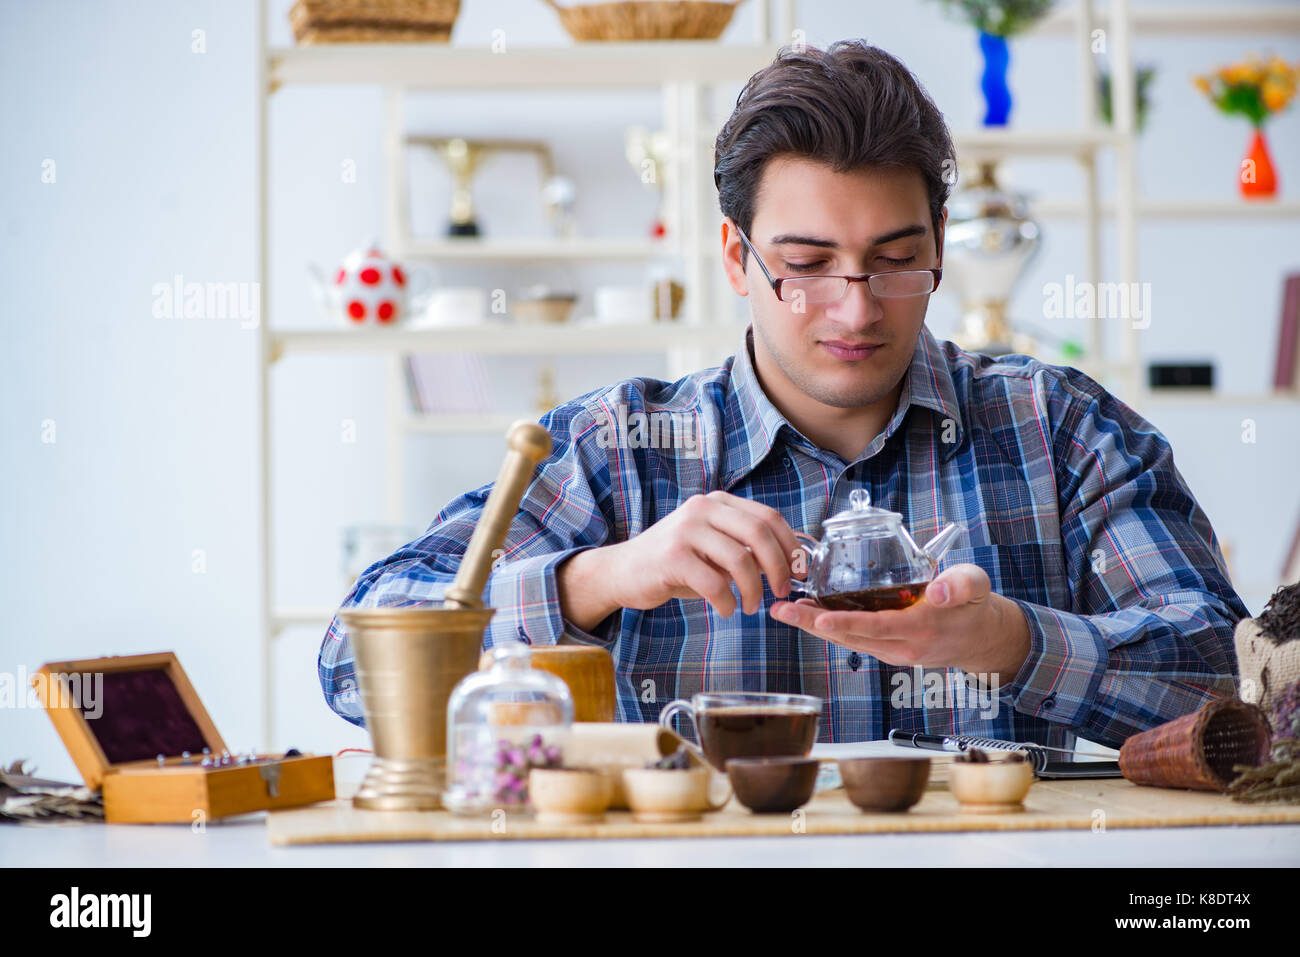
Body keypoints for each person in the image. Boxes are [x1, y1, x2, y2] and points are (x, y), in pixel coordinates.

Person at [318, 40, 1245, 751]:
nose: (855, 307)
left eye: (895, 260)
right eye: (805, 266)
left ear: (940, 244)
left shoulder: (1060, 430)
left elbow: (1239, 687)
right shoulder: (618, 446)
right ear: (737, 257)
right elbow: (353, 663)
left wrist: (1011, 640)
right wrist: (601, 576)